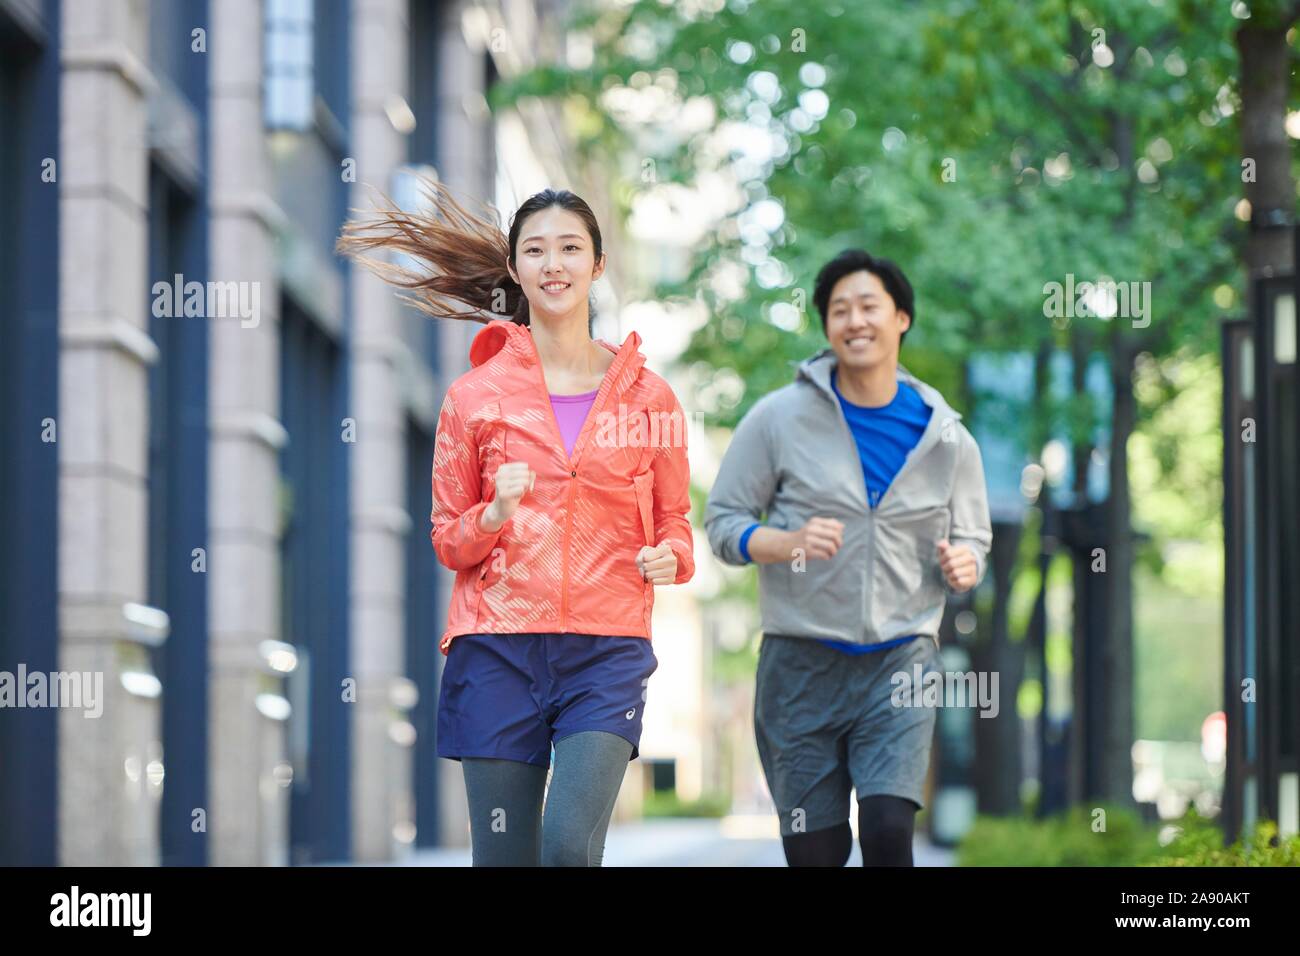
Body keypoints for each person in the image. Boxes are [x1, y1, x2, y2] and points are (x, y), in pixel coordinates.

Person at [338, 181, 694, 866]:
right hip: (498, 649)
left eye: (569, 248)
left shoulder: (650, 398)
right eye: (535, 250)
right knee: (504, 857)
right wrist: (494, 514)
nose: (552, 264)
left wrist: (670, 556)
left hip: (606, 649)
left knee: (566, 845)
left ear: (598, 264)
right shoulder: (473, 398)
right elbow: (448, 538)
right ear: (515, 269)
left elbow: (676, 522)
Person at [704, 248, 992, 866]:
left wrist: (966, 561)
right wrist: (785, 544)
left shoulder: (946, 436)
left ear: (902, 318)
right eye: (840, 310)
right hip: (798, 664)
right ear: (827, 326)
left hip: (901, 659)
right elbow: (722, 523)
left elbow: (974, 535)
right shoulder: (778, 419)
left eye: (870, 306)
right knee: (817, 852)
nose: (855, 321)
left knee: (889, 831)